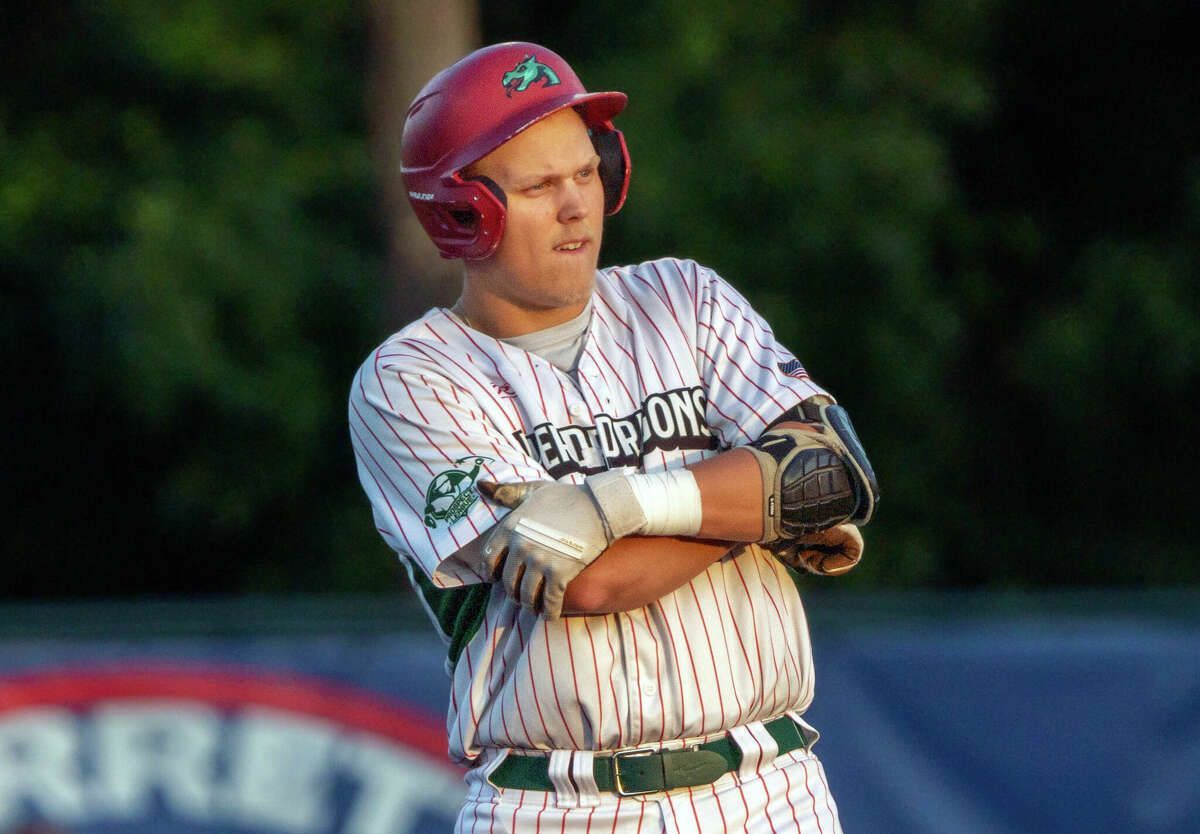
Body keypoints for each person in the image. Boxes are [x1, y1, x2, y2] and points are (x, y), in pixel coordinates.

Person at [349, 41, 879, 834]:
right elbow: (586, 580)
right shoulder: (410, 380)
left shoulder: (685, 297)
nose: (576, 206)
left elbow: (837, 473)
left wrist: (619, 503)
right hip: (557, 804)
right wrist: (764, 511)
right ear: (462, 214)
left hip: (769, 789)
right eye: (539, 186)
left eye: (586, 173)